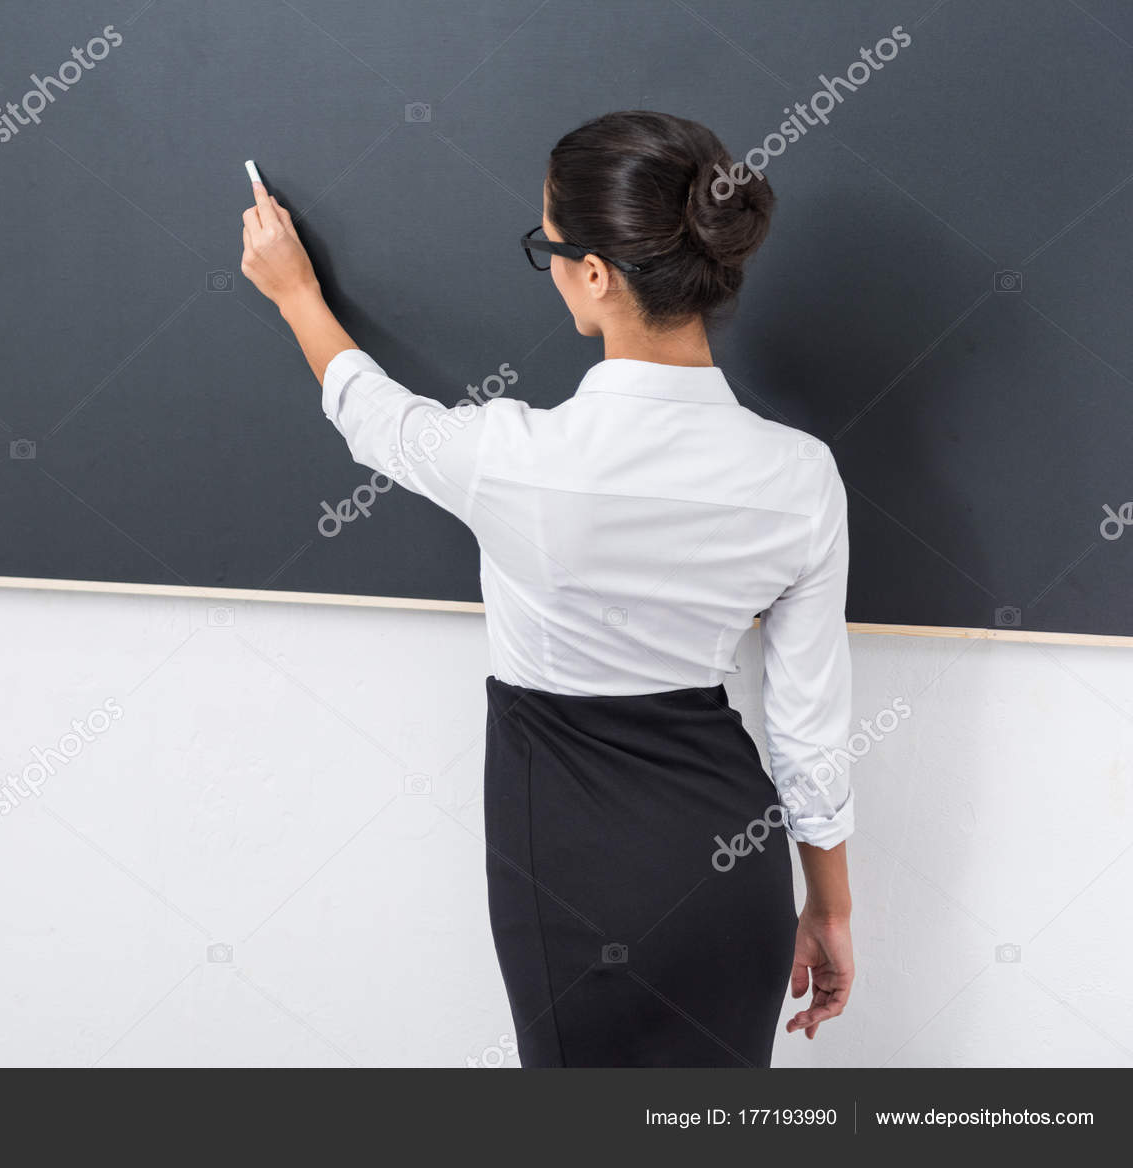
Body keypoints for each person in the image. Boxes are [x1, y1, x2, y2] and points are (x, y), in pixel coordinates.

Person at [239, 110, 854, 1068]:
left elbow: (376, 417)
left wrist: (295, 294)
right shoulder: (802, 474)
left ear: (596, 273)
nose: (553, 267)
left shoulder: (512, 456)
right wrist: (829, 907)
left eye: (550, 248)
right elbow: (809, 730)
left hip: (574, 867)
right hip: (733, 866)